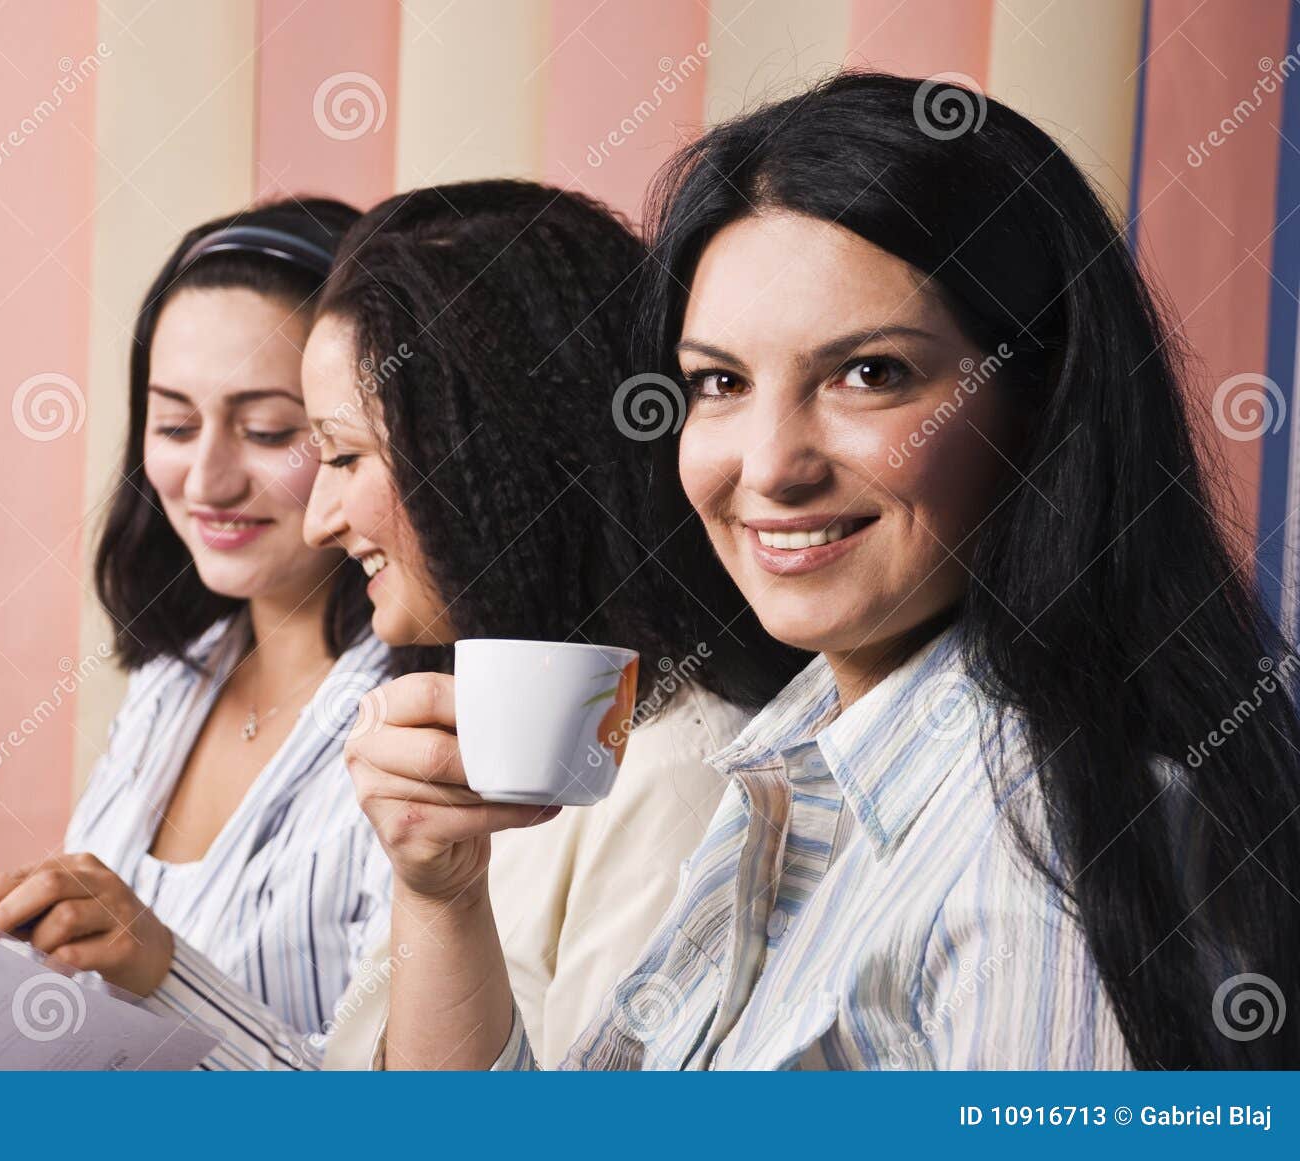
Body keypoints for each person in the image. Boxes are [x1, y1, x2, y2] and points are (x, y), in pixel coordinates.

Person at [356, 73, 1300, 1070]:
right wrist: (444, 894)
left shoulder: (1044, 858)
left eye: (869, 374)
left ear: (1042, 399)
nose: (769, 467)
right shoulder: (802, 757)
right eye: (718, 383)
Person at [141, 179, 794, 1069]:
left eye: (340, 454)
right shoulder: (465, 746)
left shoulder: (681, 772)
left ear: (485, 454)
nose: (318, 520)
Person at [0, 198, 392, 1045]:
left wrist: (164, 971)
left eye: (269, 430)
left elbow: (393, 1105)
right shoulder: (175, 678)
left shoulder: (421, 730)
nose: (207, 480)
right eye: (176, 424)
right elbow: (56, 992)